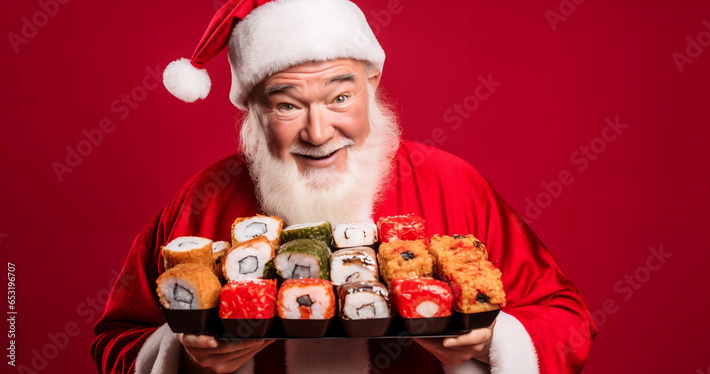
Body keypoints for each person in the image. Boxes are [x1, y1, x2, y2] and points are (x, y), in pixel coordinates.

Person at [90, 0, 596, 373]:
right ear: (252, 109)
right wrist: (185, 356)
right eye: (287, 105)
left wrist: (490, 341)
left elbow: (566, 319)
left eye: (339, 97)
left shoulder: (452, 182)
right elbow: (116, 339)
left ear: (370, 85)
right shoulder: (205, 198)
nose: (318, 132)